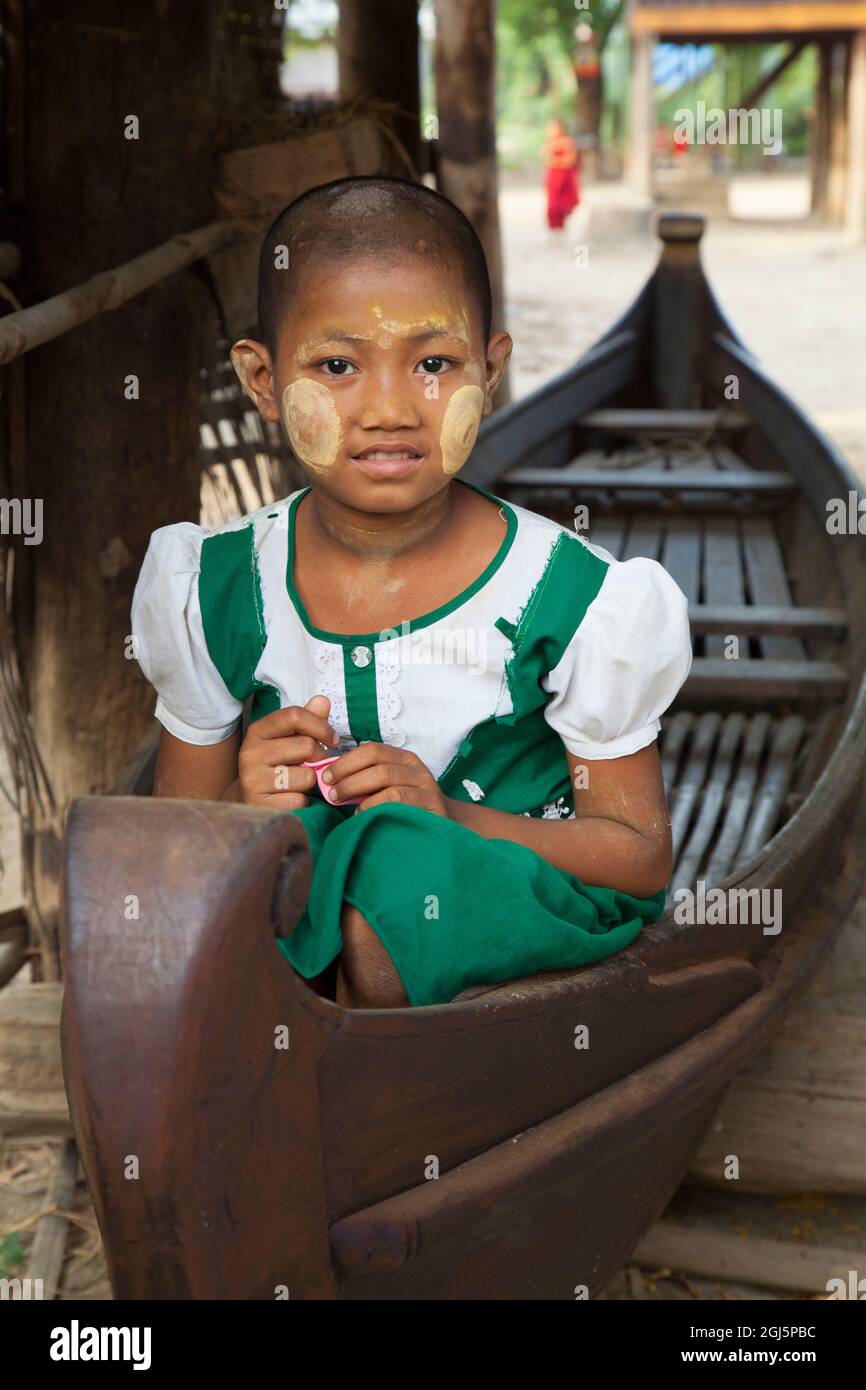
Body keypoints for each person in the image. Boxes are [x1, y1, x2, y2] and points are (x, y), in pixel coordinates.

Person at [130, 175, 692, 1011]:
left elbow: (640, 856)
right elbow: (175, 848)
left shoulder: (575, 602)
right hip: (309, 914)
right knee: (311, 846)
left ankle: (373, 1106)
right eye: (337, 365)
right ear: (261, 381)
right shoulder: (211, 587)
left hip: (531, 905)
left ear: (492, 369)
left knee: (391, 876)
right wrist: (242, 805)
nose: (390, 408)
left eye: (433, 363)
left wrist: (448, 820)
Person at [541, 120, 580, 232]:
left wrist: (556, 160)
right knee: (552, 205)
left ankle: (562, 227)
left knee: (563, 204)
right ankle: (554, 228)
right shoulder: (549, 143)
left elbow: (569, 160)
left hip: (563, 176)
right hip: (553, 176)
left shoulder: (567, 142)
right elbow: (546, 158)